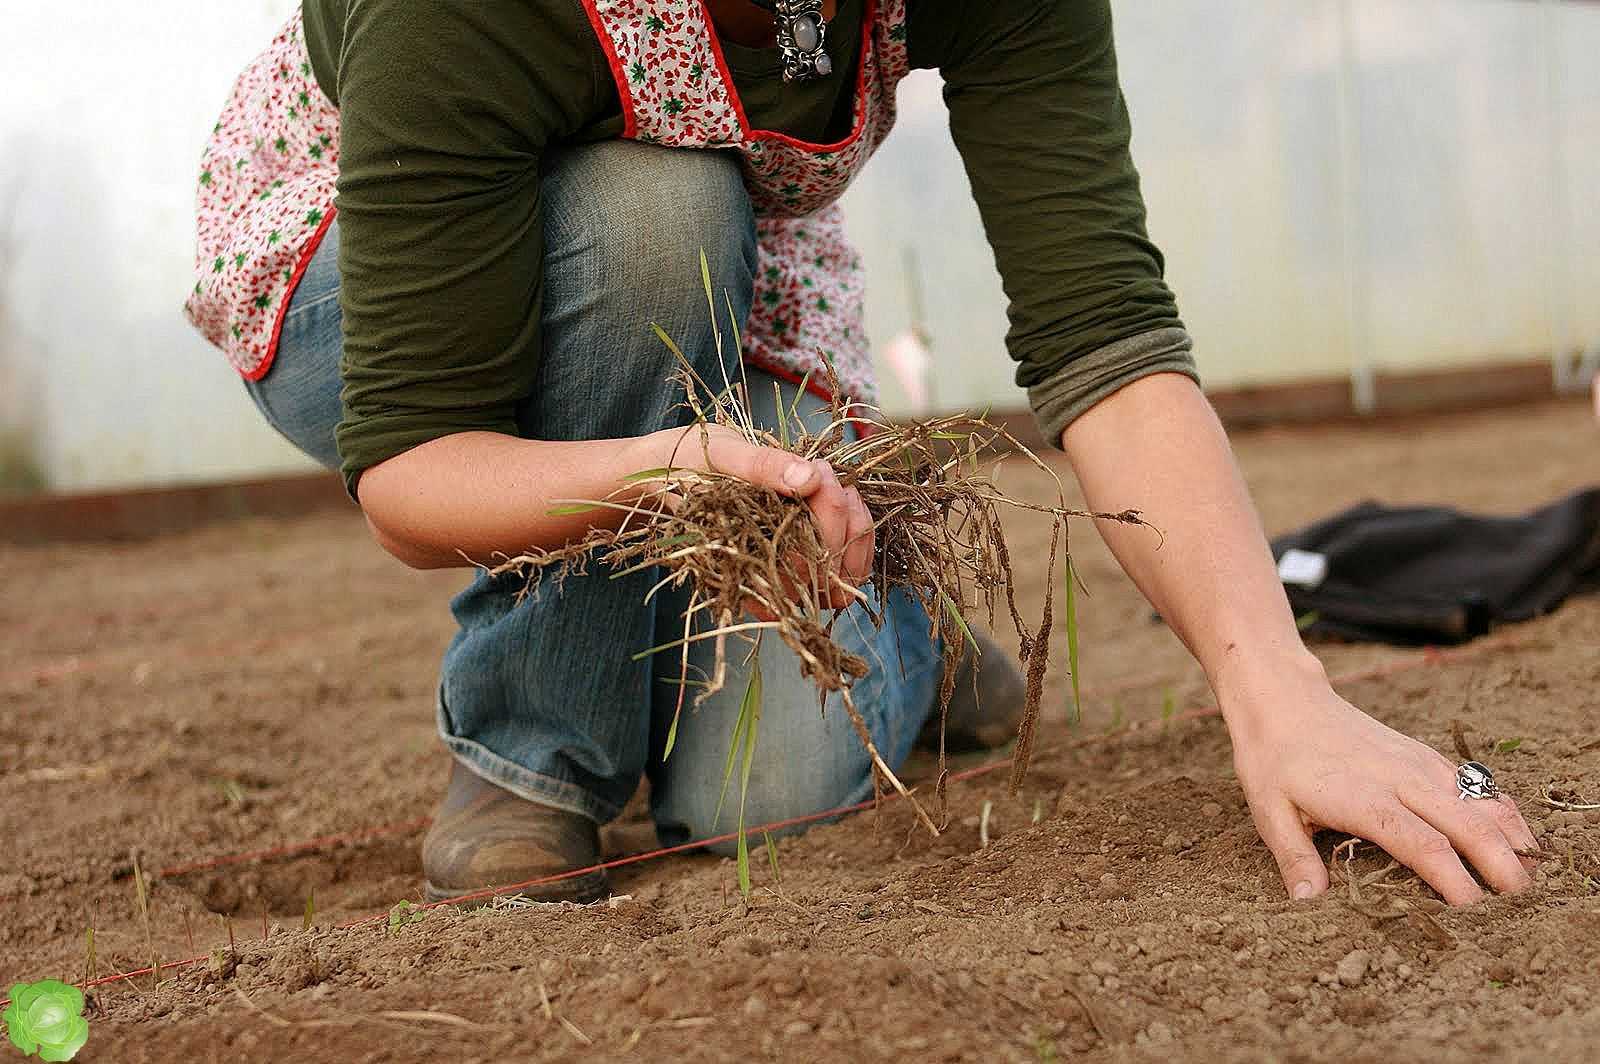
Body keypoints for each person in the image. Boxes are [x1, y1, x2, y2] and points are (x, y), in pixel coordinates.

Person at [185, 0, 1536, 907]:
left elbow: (1104, 337)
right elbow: (417, 469)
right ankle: (537, 751)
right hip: (366, 286)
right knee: (655, 207)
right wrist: (671, 473)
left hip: (726, 282)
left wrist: (1280, 691)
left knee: (764, 794)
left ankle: (910, 624)